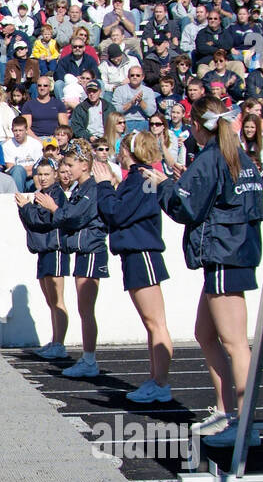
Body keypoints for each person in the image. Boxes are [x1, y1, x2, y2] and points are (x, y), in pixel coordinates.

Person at [146, 97, 263, 450]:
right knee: (206, 333)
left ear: (198, 126)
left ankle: (244, 423)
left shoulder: (213, 157)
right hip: (232, 251)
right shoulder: (236, 156)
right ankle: (227, 411)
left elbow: (186, 207)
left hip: (224, 254)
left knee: (235, 343)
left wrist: (162, 184)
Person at [93, 131, 173, 403]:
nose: (118, 152)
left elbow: (117, 212)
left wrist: (104, 185)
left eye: (121, 148)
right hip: (136, 252)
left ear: (130, 150)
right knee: (152, 324)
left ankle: (161, 383)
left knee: (156, 323)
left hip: (142, 252)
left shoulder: (141, 178)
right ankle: (156, 380)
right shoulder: (141, 177)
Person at [34, 138, 108, 379]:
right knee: (84, 308)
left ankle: (89, 359)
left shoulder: (91, 188)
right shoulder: (81, 188)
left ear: (84, 165)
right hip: (83, 251)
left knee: (86, 309)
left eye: (70, 164)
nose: (66, 169)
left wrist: (55, 208)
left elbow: (74, 216)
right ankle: (88, 358)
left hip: (92, 251)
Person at [15, 157, 69, 360]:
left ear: (54, 175)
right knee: (50, 301)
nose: (43, 178)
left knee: (57, 300)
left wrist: (26, 207)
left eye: (47, 174)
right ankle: (55, 341)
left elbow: (44, 220)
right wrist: (26, 208)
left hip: (55, 249)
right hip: (44, 250)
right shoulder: (42, 195)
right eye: (40, 174)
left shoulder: (56, 195)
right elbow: (33, 221)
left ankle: (60, 343)